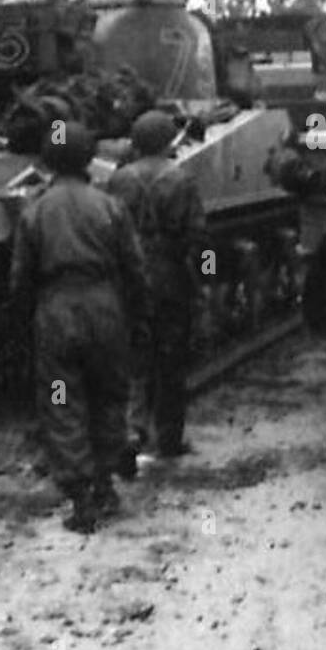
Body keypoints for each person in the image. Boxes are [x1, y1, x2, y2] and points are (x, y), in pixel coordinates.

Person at [9, 121, 147, 532]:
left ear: (48, 161)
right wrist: (138, 317)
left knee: (62, 400)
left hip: (57, 313)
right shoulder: (110, 206)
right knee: (109, 395)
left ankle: (80, 495)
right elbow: (134, 268)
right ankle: (106, 483)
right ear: (89, 156)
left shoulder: (34, 210)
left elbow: (21, 278)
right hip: (106, 310)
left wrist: (23, 325)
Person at [107, 110, 207, 459]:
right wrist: (201, 278)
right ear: (168, 141)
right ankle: (170, 438)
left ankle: (134, 431)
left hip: (131, 276)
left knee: (135, 357)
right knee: (172, 360)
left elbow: (111, 230)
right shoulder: (182, 179)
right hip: (171, 275)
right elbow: (197, 235)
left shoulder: (119, 180)